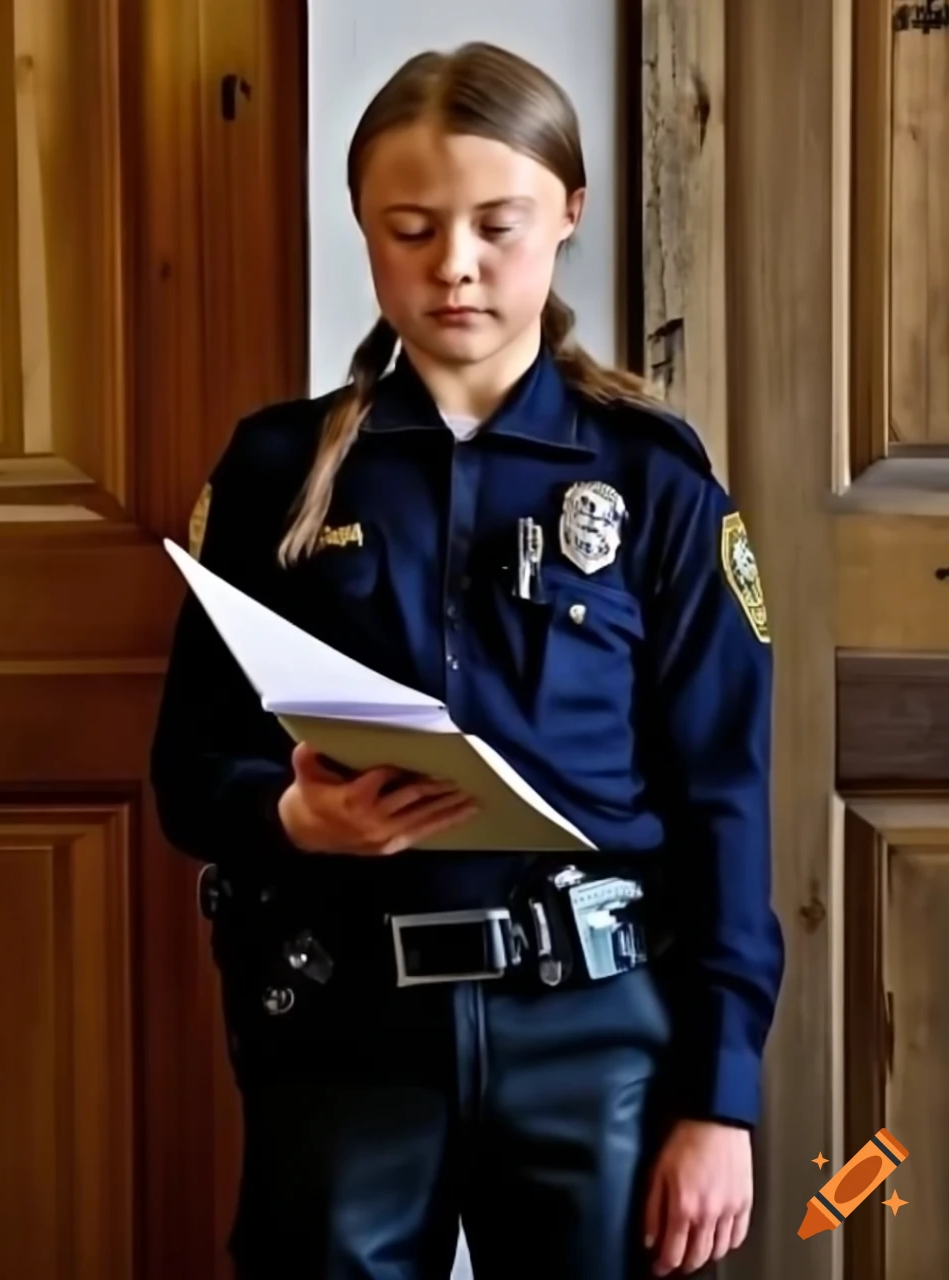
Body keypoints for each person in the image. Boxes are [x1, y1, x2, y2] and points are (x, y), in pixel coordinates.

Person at [151, 40, 784, 1280]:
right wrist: (291, 813)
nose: (453, 264)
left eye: (496, 224)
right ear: (362, 227)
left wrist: (719, 1099)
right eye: (409, 227)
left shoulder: (652, 477)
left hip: (597, 1031)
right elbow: (187, 769)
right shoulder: (274, 468)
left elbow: (726, 802)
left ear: (568, 215)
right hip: (340, 1023)